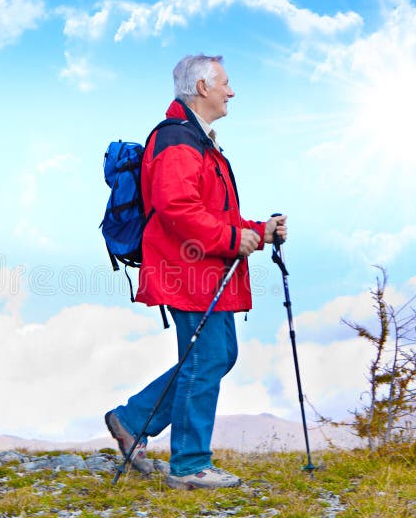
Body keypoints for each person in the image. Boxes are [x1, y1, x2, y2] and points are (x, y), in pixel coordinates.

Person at [104, 55, 287, 490]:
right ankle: (189, 465)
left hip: (201, 268)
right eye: (225, 82)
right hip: (187, 270)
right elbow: (177, 208)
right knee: (206, 358)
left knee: (217, 355)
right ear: (202, 87)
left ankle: (131, 419)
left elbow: (210, 210)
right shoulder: (177, 140)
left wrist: (260, 232)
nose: (231, 91)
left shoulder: (196, 140)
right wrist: (230, 240)